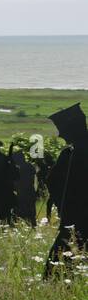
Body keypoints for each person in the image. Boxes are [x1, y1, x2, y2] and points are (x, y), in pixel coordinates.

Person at [44, 103, 87, 279]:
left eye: (63, 130)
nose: (61, 135)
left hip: (75, 218)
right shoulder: (71, 152)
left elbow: (53, 182)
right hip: (75, 216)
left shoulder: (72, 153)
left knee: (57, 265)